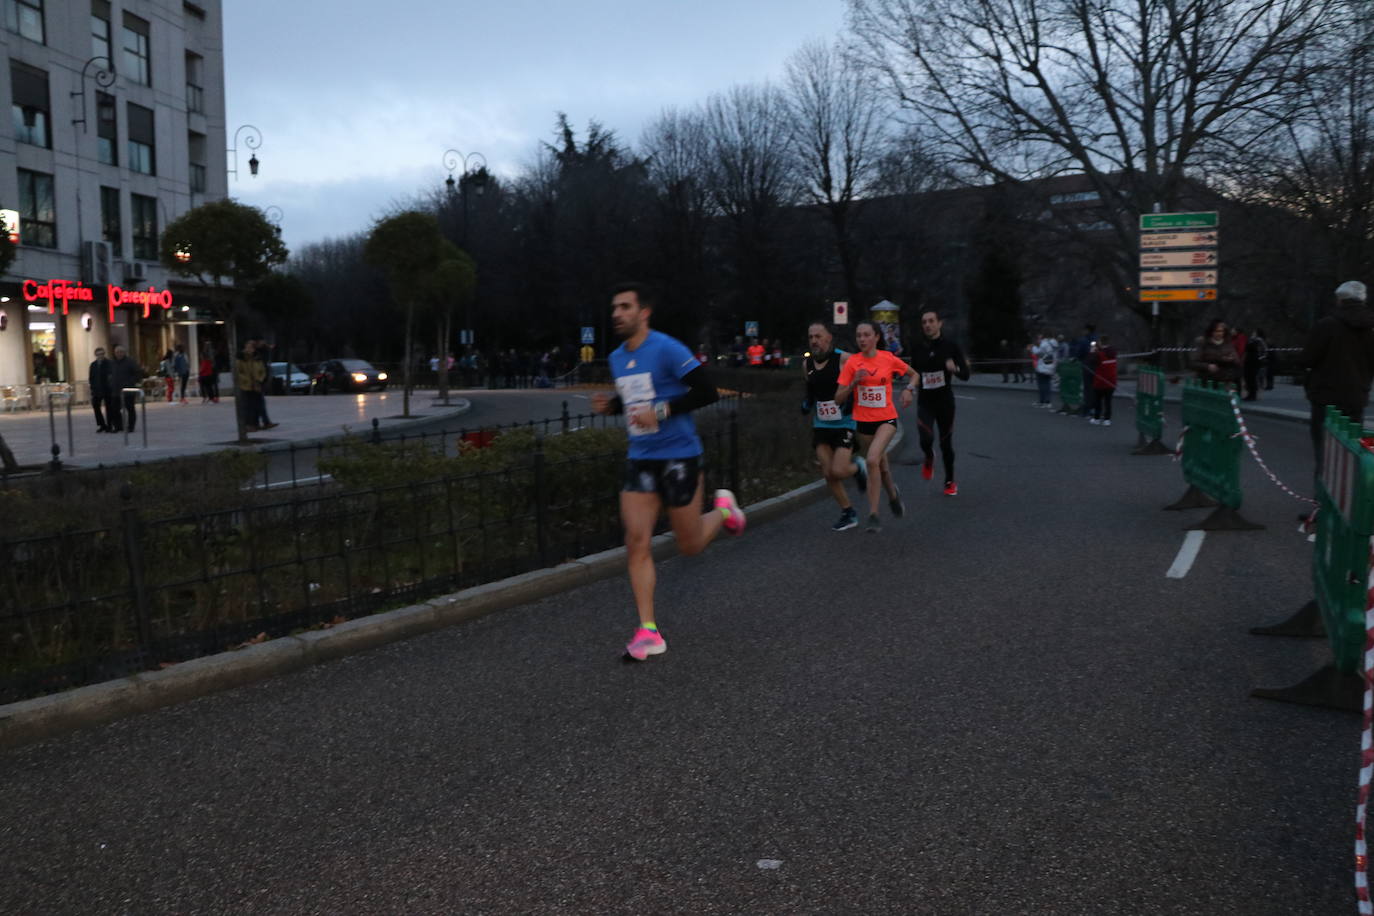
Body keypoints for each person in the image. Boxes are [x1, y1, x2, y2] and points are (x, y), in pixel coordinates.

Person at [591, 282, 745, 661]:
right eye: (614, 308)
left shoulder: (667, 348)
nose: (617, 314)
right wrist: (613, 406)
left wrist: (661, 412)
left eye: (625, 307)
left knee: (689, 546)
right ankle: (648, 630)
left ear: (644, 313)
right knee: (636, 540)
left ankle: (723, 510)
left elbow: (707, 392)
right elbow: (638, 397)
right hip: (641, 458)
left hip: (679, 456)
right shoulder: (616, 357)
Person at [834, 319, 914, 532]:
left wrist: (909, 389)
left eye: (867, 335)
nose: (862, 339)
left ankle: (873, 515)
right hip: (864, 423)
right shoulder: (852, 363)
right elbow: (838, 398)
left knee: (871, 460)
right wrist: (853, 383)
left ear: (877, 337)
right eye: (859, 335)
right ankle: (893, 496)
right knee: (882, 467)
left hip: (886, 419)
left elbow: (915, 375)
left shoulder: (888, 358)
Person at [1300, 281, 1374, 472]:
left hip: (1326, 395)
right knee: (1353, 445)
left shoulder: (1327, 325)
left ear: (1340, 300)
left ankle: (1323, 484)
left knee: (1323, 450)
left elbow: (1307, 358)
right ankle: (1350, 486)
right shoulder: (1370, 328)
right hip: (1356, 396)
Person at [803, 321, 868, 530]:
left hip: (844, 423)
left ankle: (858, 467)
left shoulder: (844, 359)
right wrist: (807, 402)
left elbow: (865, 374)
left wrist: (854, 394)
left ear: (829, 338)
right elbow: (810, 389)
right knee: (828, 473)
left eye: (818, 336)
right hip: (821, 424)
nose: (814, 341)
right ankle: (848, 512)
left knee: (839, 470)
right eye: (811, 337)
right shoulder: (807, 364)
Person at [906, 309, 970, 496]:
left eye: (931, 321)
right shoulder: (917, 347)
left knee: (945, 444)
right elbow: (914, 373)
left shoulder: (951, 346)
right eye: (924, 322)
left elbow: (966, 374)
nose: (927, 325)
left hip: (945, 402)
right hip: (925, 402)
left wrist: (954, 369)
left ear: (939, 323)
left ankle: (949, 481)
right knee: (925, 439)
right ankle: (928, 456)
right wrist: (909, 389)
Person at [1193, 319, 1241, 388]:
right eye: (1216, 331)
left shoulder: (1228, 344)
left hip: (1224, 383)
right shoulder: (1203, 343)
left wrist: (1231, 359)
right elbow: (1194, 363)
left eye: (1221, 331)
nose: (1219, 333)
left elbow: (1237, 361)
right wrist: (1207, 366)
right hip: (1206, 382)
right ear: (1211, 331)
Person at [107, 344, 143, 432]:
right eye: (117, 352)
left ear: (124, 352)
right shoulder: (112, 363)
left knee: (130, 409)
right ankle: (118, 426)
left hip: (128, 390)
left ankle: (131, 427)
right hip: (116, 391)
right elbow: (110, 374)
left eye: (121, 352)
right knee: (115, 409)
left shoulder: (130, 362)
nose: (119, 354)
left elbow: (138, 373)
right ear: (114, 353)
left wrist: (130, 382)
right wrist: (111, 383)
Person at [235, 340, 266, 433]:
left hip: (256, 385)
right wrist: (246, 380)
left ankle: (255, 424)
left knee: (256, 405)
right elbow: (238, 372)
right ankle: (247, 425)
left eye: (251, 348)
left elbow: (262, 371)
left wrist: (259, 379)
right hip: (246, 385)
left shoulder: (257, 358)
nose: (249, 349)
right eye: (248, 347)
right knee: (247, 406)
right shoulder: (241, 358)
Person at [1089, 334, 1118, 426]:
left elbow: (1091, 362)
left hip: (1100, 381)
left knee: (1098, 400)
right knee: (1108, 401)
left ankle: (1097, 418)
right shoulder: (1113, 353)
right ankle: (1107, 419)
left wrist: (1092, 351)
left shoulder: (1099, 354)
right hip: (1111, 381)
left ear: (1100, 342)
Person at [250, 337, 277, 429]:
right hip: (255, 381)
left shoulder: (262, 352)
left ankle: (259, 422)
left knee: (259, 402)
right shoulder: (255, 354)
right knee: (258, 402)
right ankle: (259, 422)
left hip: (260, 380)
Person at [88, 346, 113, 432]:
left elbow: (111, 375)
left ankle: (110, 425)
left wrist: (110, 385)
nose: (100, 356)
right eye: (98, 354)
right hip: (97, 390)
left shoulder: (109, 363)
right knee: (96, 406)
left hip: (107, 389)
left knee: (109, 408)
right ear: (95, 355)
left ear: (104, 354)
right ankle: (102, 424)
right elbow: (91, 377)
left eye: (102, 354)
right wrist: (92, 388)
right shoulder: (93, 365)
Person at [1031, 332, 1056, 407]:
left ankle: (1043, 401)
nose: (1038, 340)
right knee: (1047, 384)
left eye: (1039, 338)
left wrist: (1033, 347)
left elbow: (1037, 352)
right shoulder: (1053, 343)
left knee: (1042, 384)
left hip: (1043, 367)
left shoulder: (1044, 344)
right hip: (1050, 366)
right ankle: (1047, 401)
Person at [1243, 328, 1268, 401]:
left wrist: (1259, 358)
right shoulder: (1251, 340)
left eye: (1254, 332)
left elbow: (1264, 351)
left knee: (1252, 378)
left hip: (1254, 361)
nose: (1252, 333)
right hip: (1249, 361)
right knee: (1248, 377)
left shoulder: (1259, 341)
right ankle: (1250, 393)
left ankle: (1252, 394)